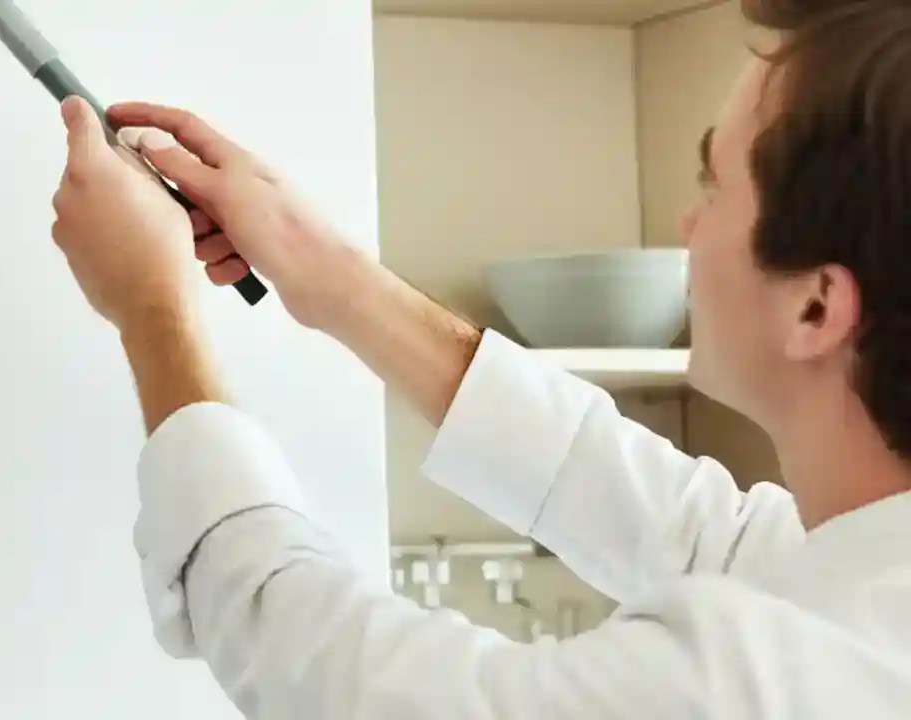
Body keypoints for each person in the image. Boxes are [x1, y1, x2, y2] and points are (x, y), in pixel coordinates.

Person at [48, 0, 911, 716]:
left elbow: (349, 679)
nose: (689, 226)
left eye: (715, 185)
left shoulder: (758, 687)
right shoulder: (858, 589)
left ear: (816, 306)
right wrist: (330, 273)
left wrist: (154, 314)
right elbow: (686, 527)